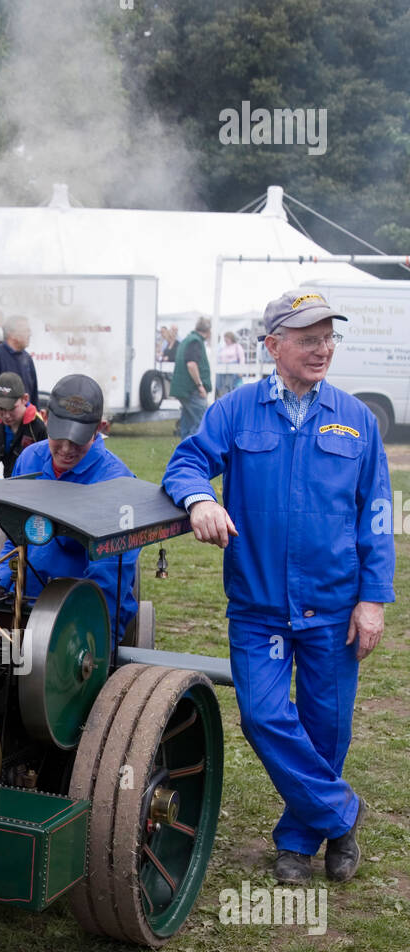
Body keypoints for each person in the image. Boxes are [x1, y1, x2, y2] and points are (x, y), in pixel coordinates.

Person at [161, 290, 396, 886]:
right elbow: (185, 462)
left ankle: (298, 840)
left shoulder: (356, 418)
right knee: (263, 718)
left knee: (326, 728)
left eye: (328, 338)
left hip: (334, 603)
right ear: (274, 346)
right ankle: (342, 814)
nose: (323, 349)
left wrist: (372, 599)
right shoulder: (237, 411)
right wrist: (200, 498)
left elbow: (376, 514)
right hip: (259, 605)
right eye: (309, 339)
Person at [0, 374, 139, 639]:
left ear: (99, 428)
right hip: (25, 606)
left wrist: (87, 633)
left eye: (79, 439)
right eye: (59, 437)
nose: (67, 449)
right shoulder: (29, 461)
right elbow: (15, 537)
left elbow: (108, 577)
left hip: (79, 613)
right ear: (45, 418)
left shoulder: (118, 483)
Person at [0, 315, 39, 430]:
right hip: (0, 426)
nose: (30, 334)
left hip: (25, 426)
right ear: (12, 334)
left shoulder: (27, 358)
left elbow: (33, 393)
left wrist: (37, 416)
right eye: (26, 330)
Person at [169, 315, 211, 439]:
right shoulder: (195, 341)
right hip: (192, 390)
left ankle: (185, 455)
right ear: (208, 331)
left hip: (184, 390)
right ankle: (196, 455)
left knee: (187, 426)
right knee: (201, 424)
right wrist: (200, 386)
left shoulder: (188, 339)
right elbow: (192, 365)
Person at [216, 330, 245, 397]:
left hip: (233, 370)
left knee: (230, 387)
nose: (225, 340)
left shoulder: (237, 346)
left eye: (227, 338)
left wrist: (241, 370)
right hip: (223, 370)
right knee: (222, 387)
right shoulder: (223, 347)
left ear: (231, 338)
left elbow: (242, 358)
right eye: (225, 338)